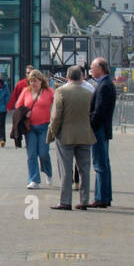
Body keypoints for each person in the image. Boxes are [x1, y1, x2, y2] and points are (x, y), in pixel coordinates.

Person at [46, 66, 96, 210]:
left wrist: (51, 134)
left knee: (66, 169)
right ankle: (84, 200)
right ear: (82, 77)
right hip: (85, 134)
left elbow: (56, 116)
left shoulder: (61, 92)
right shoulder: (89, 93)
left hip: (65, 135)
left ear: (67, 77)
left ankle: (65, 201)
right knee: (84, 169)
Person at [15, 71, 54, 187]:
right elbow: (18, 106)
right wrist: (25, 112)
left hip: (44, 126)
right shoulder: (26, 91)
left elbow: (58, 103)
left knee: (43, 153)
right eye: (31, 81)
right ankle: (34, 179)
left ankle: (48, 172)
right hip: (30, 127)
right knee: (31, 154)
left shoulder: (49, 92)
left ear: (41, 81)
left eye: (35, 81)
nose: (33, 83)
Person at [88, 57, 117, 209]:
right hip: (102, 128)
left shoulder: (104, 86)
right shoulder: (105, 84)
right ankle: (103, 196)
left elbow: (99, 111)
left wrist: (90, 125)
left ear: (101, 68)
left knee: (100, 164)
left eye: (93, 67)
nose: (90, 70)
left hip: (99, 129)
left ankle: (102, 197)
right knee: (102, 164)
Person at [7, 68, 33, 147]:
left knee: (29, 126)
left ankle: (29, 142)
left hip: (33, 109)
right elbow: (14, 95)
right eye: (28, 73)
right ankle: (19, 142)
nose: (29, 74)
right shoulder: (21, 83)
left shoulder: (39, 84)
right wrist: (9, 106)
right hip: (22, 109)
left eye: (31, 72)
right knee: (20, 125)